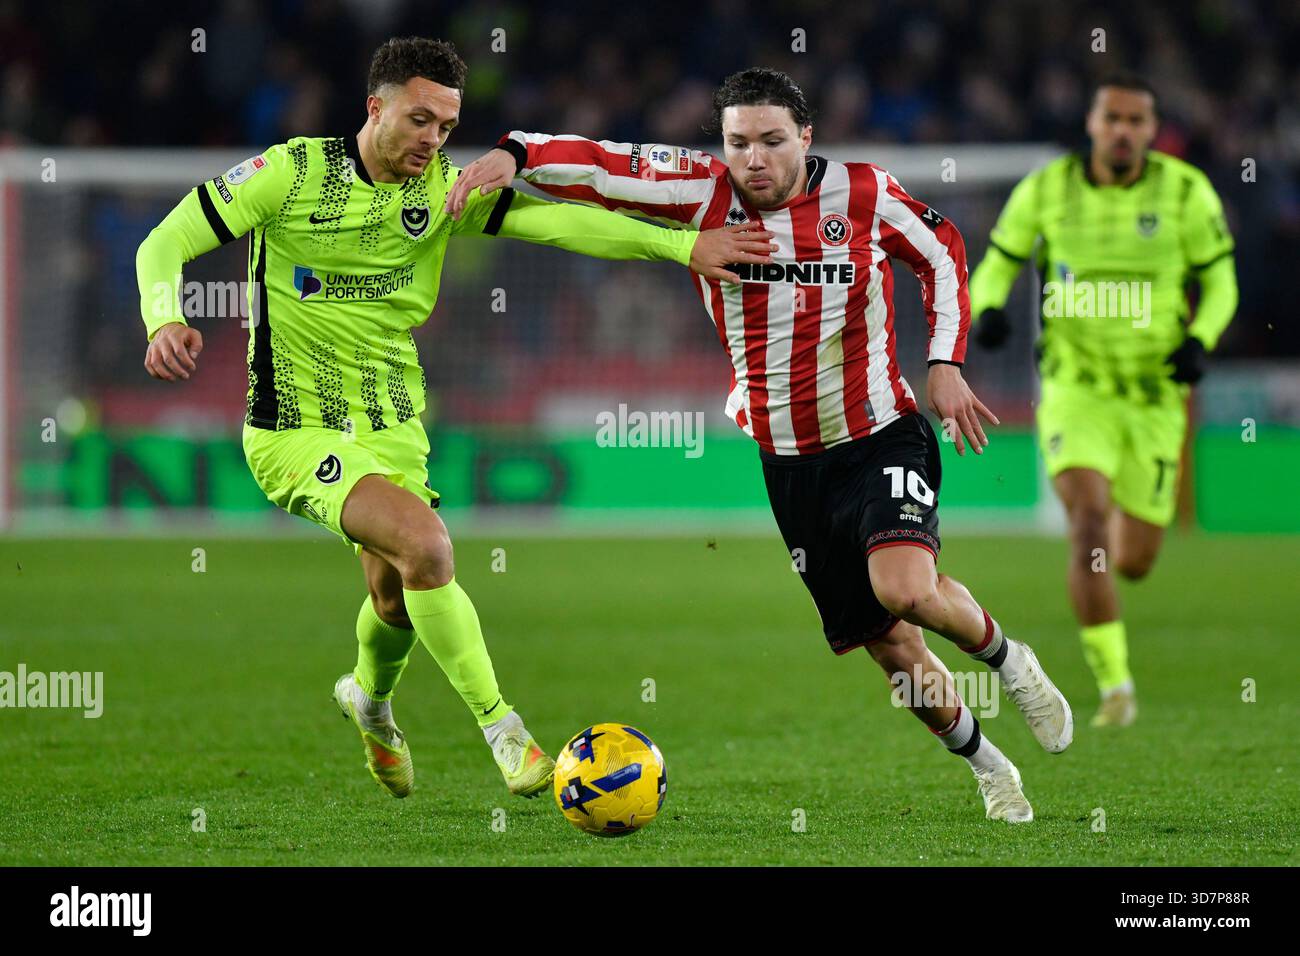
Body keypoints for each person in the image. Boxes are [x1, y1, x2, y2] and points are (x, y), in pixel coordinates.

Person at [135, 37, 772, 801]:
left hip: (395, 425)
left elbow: (567, 224)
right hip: (293, 430)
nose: (433, 139)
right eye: (419, 119)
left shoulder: (444, 191)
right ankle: (506, 734)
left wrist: (682, 244)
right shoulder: (290, 172)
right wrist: (164, 318)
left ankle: (369, 703)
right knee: (430, 547)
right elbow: (166, 238)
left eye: (446, 125)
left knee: (395, 596)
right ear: (376, 108)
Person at [447, 67, 1073, 822]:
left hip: (879, 433)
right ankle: (990, 766)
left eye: (772, 141)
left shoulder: (863, 193)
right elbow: (607, 167)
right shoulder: (701, 192)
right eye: (738, 142)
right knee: (893, 650)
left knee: (903, 588)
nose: (754, 159)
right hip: (789, 464)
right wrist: (518, 152)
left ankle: (1013, 664)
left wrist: (945, 359)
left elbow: (939, 250)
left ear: (804, 138)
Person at [967, 71, 1238, 727]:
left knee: (1136, 560)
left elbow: (1222, 280)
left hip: (1153, 397)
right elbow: (998, 264)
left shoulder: (1184, 191)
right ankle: (1115, 688)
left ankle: (1111, 576)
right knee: (1087, 522)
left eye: (1135, 121)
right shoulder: (1047, 188)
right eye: (1111, 118)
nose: (1122, 131)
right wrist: (988, 309)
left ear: (1151, 130)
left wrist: (1200, 338)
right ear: (1092, 124)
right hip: (1075, 387)